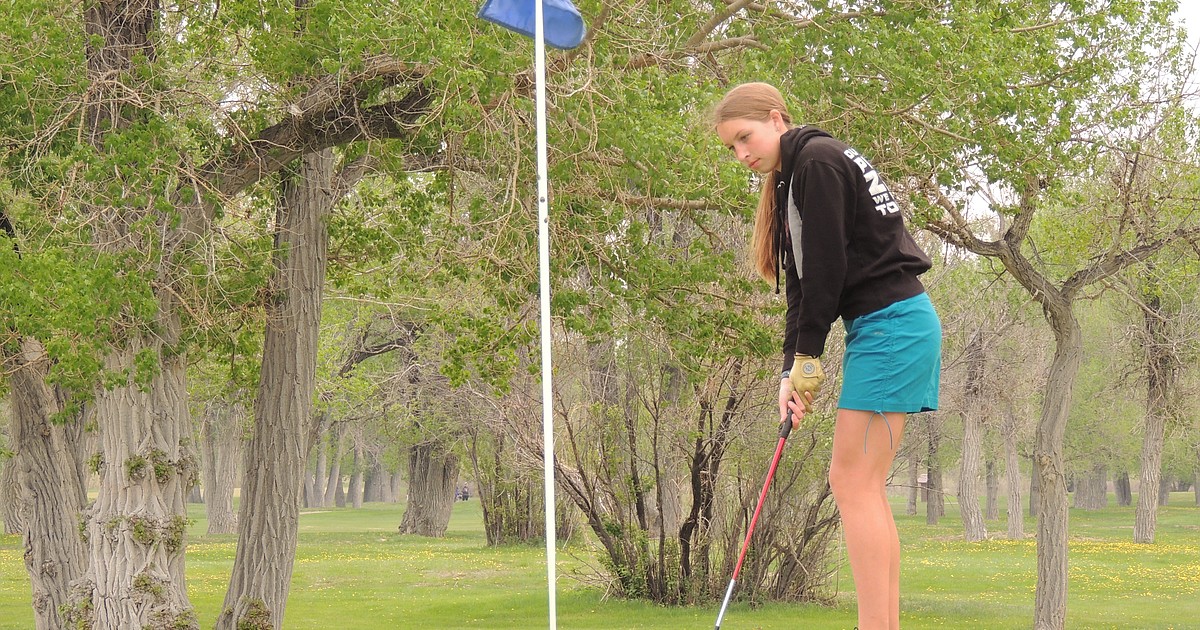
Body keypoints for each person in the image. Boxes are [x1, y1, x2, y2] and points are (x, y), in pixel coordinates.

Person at [713, 82, 941, 630]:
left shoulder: (815, 161)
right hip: (892, 328)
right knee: (864, 487)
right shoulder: (799, 171)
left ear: (776, 118)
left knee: (852, 482)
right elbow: (800, 285)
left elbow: (825, 274)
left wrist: (808, 362)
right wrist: (791, 370)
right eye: (732, 148)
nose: (742, 154)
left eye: (745, 137)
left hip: (891, 329)